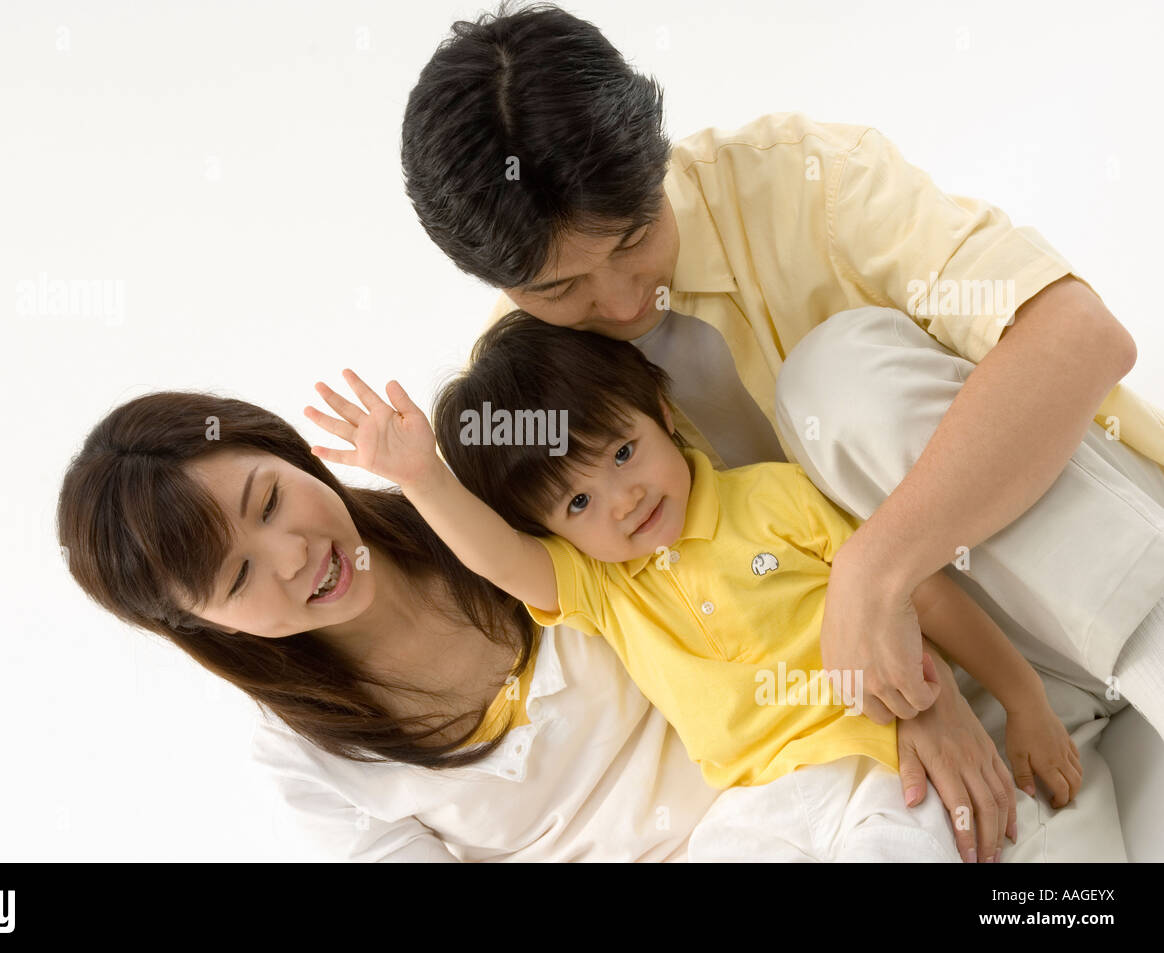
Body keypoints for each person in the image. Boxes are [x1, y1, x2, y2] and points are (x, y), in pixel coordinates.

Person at [398, 1, 1164, 817]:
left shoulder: (804, 180)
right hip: (937, 717)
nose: (621, 302)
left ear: (657, 159)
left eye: (633, 239)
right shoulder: (529, 387)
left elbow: (1080, 337)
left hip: (1100, 580)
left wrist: (878, 567)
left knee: (834, 383)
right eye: (561, 288)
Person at [59, 390, 1054, 862]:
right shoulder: (309, 762)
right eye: (236, 574)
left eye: (271, 498)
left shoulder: (501, 511)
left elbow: (737, 568)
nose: (291, 555)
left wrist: (893, 691)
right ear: (202, 627)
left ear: (295, 454)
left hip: (806, 776)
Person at [302, 311, 1081, 861]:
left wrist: (1025, 700)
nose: (623, 498)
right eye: (578, 503)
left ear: (664, 414)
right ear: (556, 530)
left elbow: (926, 595)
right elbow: (499, 559)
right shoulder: (600, 585)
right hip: (752, 804)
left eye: (622, 452)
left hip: (882, 762)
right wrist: (420, 476)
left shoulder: (776, 498)